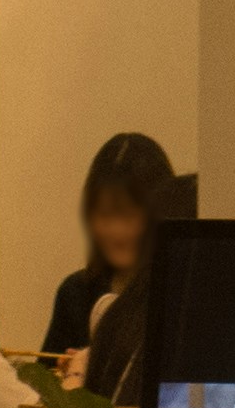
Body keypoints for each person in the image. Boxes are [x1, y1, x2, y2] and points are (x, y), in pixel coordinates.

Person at [40, 137, 170, 375]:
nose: (116, 231)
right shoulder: (75, 293)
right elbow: (40, 393)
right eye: (105, 214)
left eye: (129, 216)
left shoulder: (174, 296)